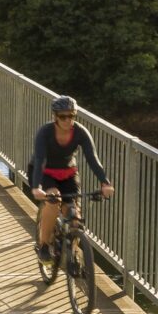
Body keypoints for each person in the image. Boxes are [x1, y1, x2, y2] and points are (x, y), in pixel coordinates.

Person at [25, 94, 114, 263]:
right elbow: (40, 160)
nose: (67, 120)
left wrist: (105, 182)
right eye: (62, 116)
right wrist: (36, 187)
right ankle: (44, 245)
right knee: (53, 200)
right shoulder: (45, 132)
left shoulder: (80, 132)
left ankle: (71, 253)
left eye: (71, 116)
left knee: (74, 217)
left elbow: (92, 159)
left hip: (68, 173)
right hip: (45, 173)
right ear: (55, 117)